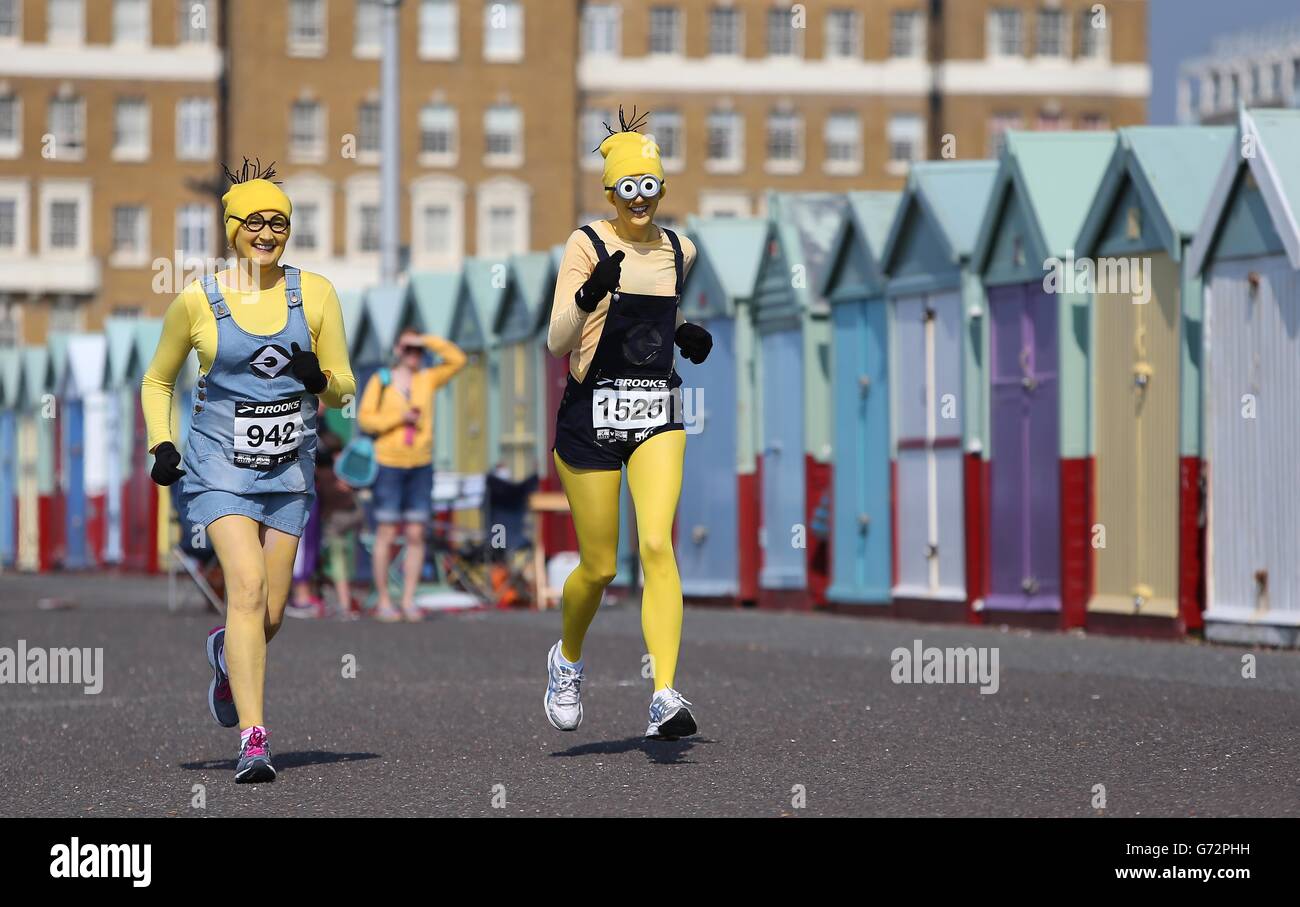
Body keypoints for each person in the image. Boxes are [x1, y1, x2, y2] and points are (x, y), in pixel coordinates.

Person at [141, 158, 356, 782]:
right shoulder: (197, 299)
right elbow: (158, 378)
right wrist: (162, 443)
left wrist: (322, 380)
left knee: (271, 614)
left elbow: (345, 386)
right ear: (232, 228)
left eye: (279, 223)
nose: (267, 234)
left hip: (289, 470)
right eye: (255, 223)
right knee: (247, 588)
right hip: (219, 468)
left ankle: (222, 653)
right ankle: (254, 739)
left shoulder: (314, 293)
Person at [543, 107, 713, 740]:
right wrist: (589, 296)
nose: (639, 200)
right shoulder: (585, 245)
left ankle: (664, 693)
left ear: (661, 190)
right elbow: (559, 341)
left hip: (655, 411)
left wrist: (684, 332)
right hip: (589, 417)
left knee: (656, 545)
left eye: (650, 187)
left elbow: (659, 320)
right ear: (610, 191)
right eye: (627, 188)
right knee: (601, 567)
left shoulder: (679, 249)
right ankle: (568, 658)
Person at [357, 328, 466, 621]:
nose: (414, 354)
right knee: (387, 532)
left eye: (418, 350)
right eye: (408, 349)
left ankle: (408, 599)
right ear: (397, 350)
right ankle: (383, 600)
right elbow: (366, 420)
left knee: (417, 533)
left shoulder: (427, 378)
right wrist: (399, 418)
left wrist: (426, 340)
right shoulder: (382, 380)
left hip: (421, 463)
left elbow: (457, 360)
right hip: (388, 463)